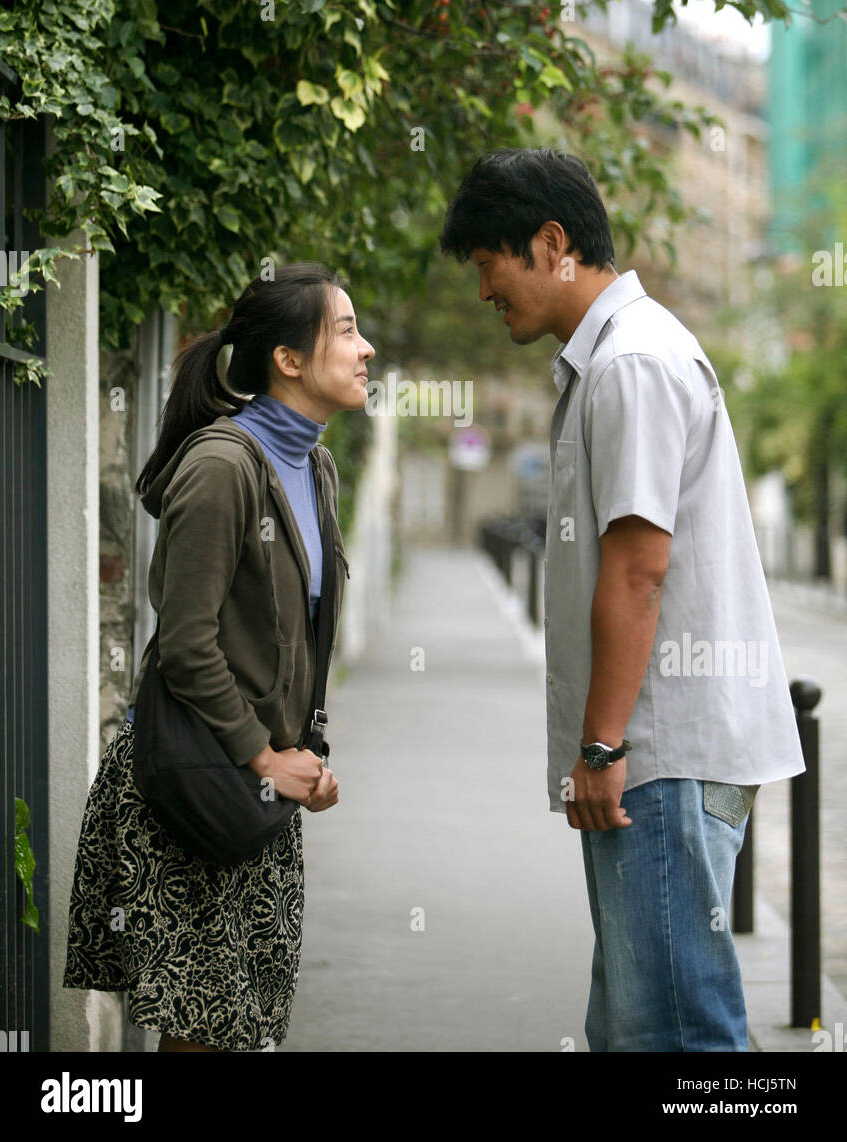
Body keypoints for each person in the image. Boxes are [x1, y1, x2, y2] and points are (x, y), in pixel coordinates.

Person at [440, 148, 805, 1053]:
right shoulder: (616, 358)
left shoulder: (632, 364)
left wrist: (601, 747)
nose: (486, 292)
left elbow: (638, 568)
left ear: (551, 243)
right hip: (656, 753)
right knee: (639, 1028)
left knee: (677, 1035)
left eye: (490, 265)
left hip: (659, 754)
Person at [63, 263, 375, 1052]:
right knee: (202, 1033)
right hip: (196, 781)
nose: (365, 348)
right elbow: (185, 642)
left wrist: (307, 751)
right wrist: (265, 757)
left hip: (259, 789)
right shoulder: (221, 466)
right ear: (289, 360)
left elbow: (298, 638)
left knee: (236, 1030)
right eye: (345, 331)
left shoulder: (317, 467)